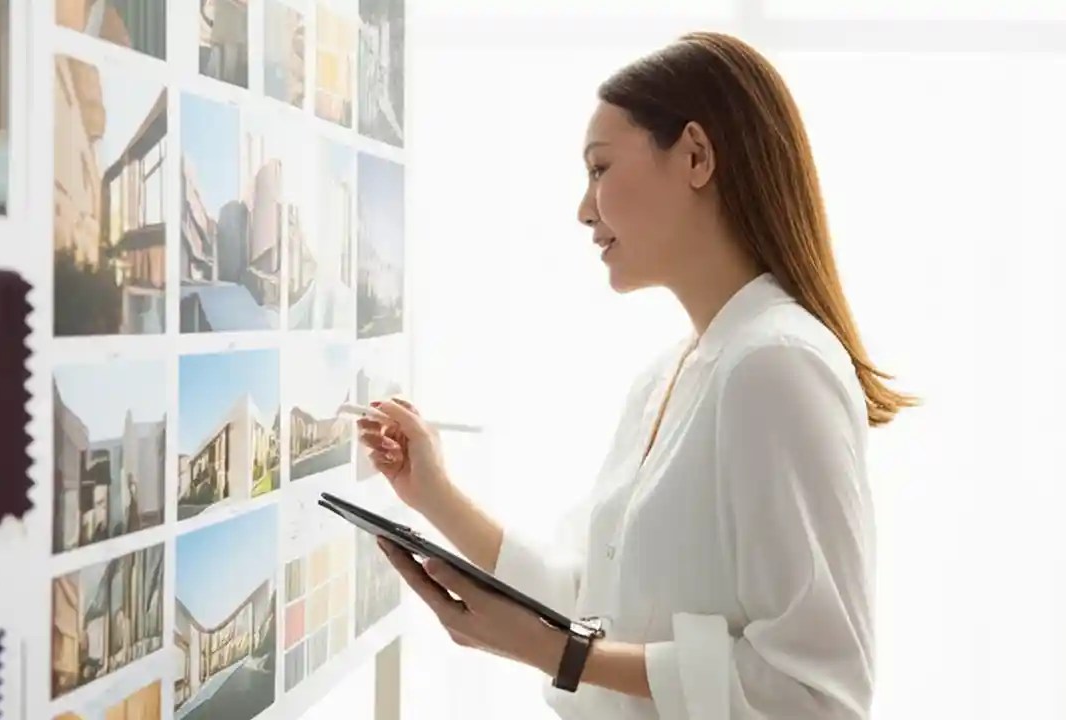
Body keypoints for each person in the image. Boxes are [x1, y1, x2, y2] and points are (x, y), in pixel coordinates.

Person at [357, 30, 916, 719]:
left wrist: (559, 653)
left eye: (600, 169)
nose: (584, 209)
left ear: (695, 156)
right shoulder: (674, 372)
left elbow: (816, 693)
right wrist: (434, 497)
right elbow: (595, 596)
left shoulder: (777, 367)